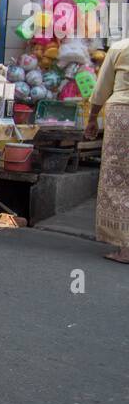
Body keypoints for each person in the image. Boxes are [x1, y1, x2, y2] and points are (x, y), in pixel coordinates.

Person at [86, 39, 129, 263]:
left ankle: (126, 247)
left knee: (118, 177)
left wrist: (92, 117)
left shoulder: (121, 47)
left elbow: (102, 86)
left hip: (122, 113)